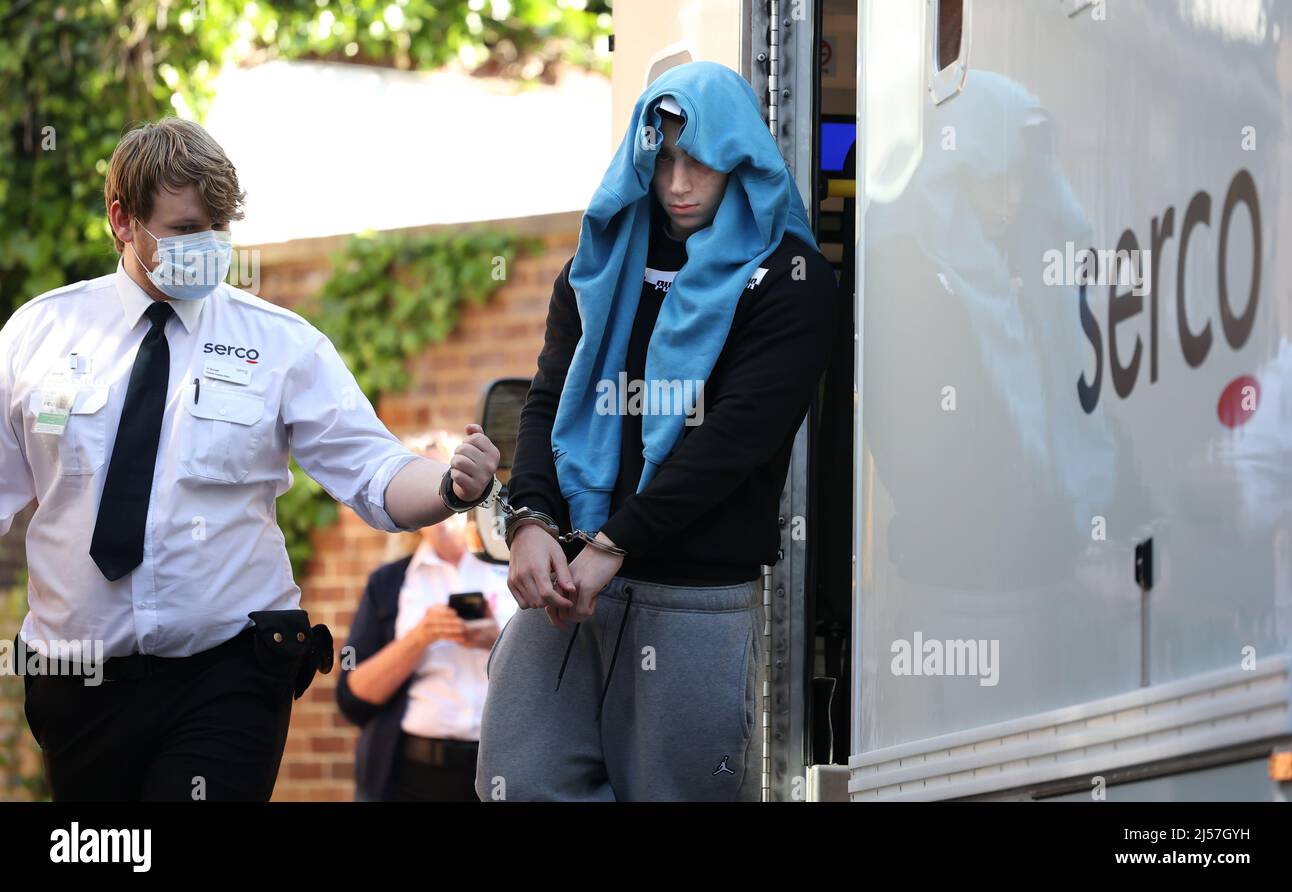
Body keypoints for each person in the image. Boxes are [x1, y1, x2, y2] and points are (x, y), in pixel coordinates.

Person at [0, 118, 500, 801]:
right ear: (122, 220)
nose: (205, 248)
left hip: (228, 674)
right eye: (182, 230)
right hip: (79, 683)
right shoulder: (39, 336)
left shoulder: (280, 345)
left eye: (218, 228)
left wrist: (448, 485)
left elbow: (376, 472)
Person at [475, 61, 837, 801]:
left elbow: (735, 440)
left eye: (698, 161)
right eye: (662, 156)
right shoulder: (601, 261)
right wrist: (532, 522)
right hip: (567, 588)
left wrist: (617, 542)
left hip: (693, 596)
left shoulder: (791, 277)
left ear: (738, 157)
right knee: (521, 782)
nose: (677, 183)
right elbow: (548, 401)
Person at [337, 430, 516, 802]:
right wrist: (421, 637)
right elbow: (353, 697)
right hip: (410, 776)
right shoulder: (389, 582)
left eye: (448, 475)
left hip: (503, 773)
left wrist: (495, 640)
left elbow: (557, 677)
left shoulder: (510, 567)